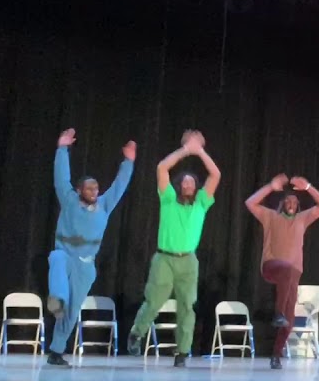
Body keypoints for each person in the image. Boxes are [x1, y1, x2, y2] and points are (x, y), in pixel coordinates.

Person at [126, 130, 221, 367]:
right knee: (153, 302)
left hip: (188, 261)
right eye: (185, 182)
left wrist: (199, 152)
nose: (188, 184)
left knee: (187, 307)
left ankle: (182, 352)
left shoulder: (201, 202)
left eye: (192, 182)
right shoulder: (168, 199)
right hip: (164, 259)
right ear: (179, 186)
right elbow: (162, 168)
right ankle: (137, 333)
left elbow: (215, 174)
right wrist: (185, 150)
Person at [44, 128, 134, 367]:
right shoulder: (69, 200)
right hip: (65, 256)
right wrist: (62, 149)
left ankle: (56, 351)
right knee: (57, 259)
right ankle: (57, 299)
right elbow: (60, 178)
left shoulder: (104, 205)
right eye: (89, 188)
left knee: (71, 313)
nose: (94, 191)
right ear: (79, 190)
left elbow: (119, 186)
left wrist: (128, 162)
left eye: (96, 188)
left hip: (85, 266)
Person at [244, 173, 319, 369]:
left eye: (295, 201)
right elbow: (250, 202)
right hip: (272, 266)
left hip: (292, 275)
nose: (291, 202)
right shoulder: (270, 216)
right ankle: (278, 313)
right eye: (288, 200)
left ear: (298, 206)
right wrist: (270, 187)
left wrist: (308, 187)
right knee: (286, 270)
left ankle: (276, 355)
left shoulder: (302, 218)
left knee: (289, 321)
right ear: (282, 204)